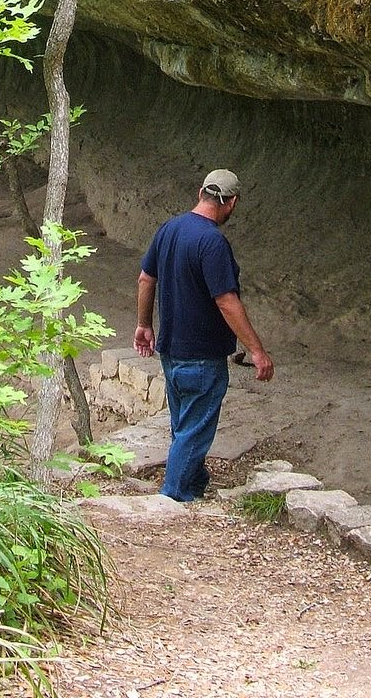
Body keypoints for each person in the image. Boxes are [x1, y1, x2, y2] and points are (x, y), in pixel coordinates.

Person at [135, 168, 274, 503]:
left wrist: (144, 324)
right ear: (232, 202)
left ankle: (194, 483)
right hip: (203, 355)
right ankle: (174, 496)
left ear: (201, 192)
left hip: (171, 351)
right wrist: (256, 350)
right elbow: (226, 301)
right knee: (194, 429)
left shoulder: (169, 229)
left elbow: (145, 279)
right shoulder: (212, 242)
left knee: (184, 424)